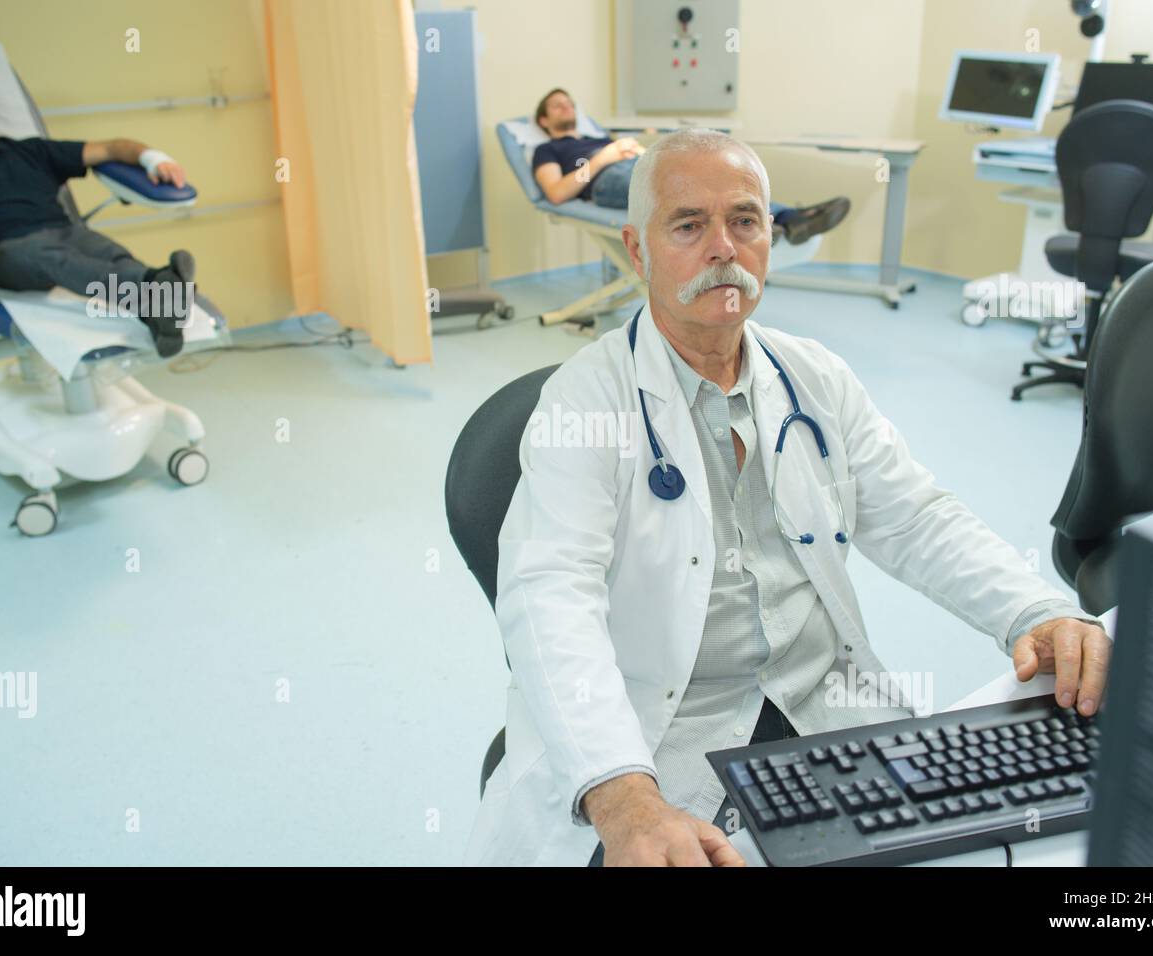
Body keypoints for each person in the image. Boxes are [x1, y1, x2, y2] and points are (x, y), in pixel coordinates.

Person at [465, 128, 1110, 867]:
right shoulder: (584, 402)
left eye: (744, 221)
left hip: (821, 703)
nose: (723, 249)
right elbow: (548, 596)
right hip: (661, 731)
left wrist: (1036, 610)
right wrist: (622, 793)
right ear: (637, 252)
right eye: (688, 225)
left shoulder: (815, 377)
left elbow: (917, 518)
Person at [0, 65, 196, 357]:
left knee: (106, 251)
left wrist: (153, 159)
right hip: (4, 253)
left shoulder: (34, 151)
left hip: (67, 231)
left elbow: (113, 148)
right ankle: (157, 290)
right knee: (54, 258)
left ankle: (158, 309)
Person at [531, 87, 850, 246]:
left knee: (710, 172)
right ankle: (773, 220)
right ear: (544, 120)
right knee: (697, 184)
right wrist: (606, 157)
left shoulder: (598, 135)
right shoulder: (548, 149)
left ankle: (784, 218)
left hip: (632, 166)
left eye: (569, 102)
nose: (567, 106)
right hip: (604, 181)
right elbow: (557, 193)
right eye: (557, 105)